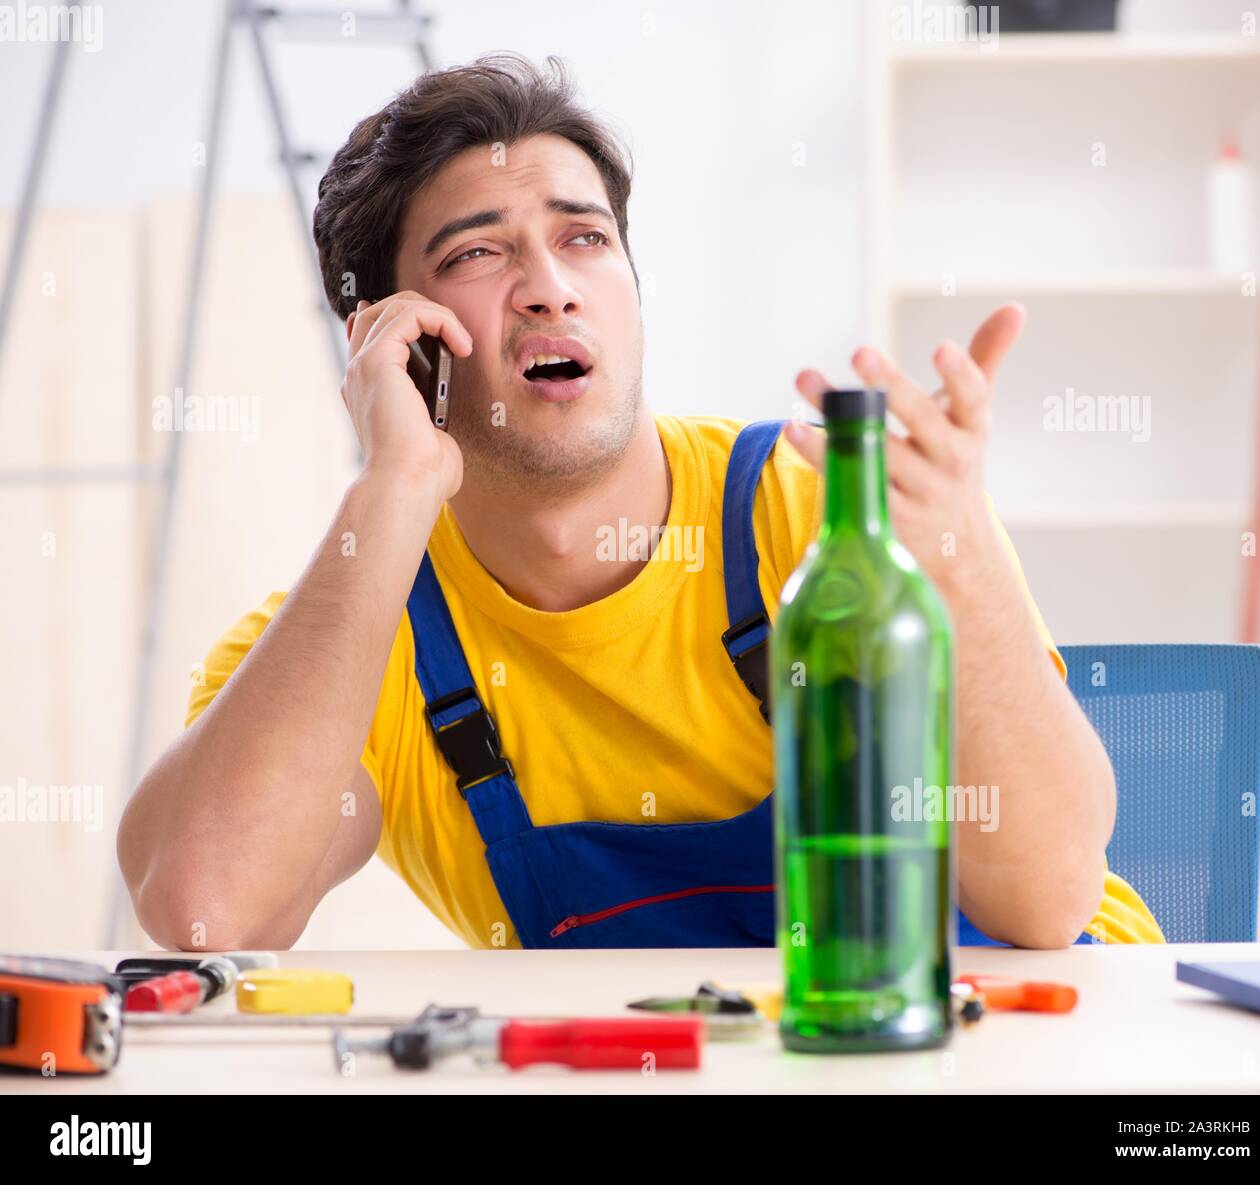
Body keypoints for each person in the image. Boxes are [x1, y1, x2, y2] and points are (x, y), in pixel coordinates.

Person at [117, 53, 1163, 952]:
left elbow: (1045, 901)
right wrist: (390, 489)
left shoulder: (827, 517)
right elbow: (209, 912)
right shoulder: (355, 634)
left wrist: (962, 564)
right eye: (477, 253)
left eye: (583, 239)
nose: (549, 287)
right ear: (393, 337)